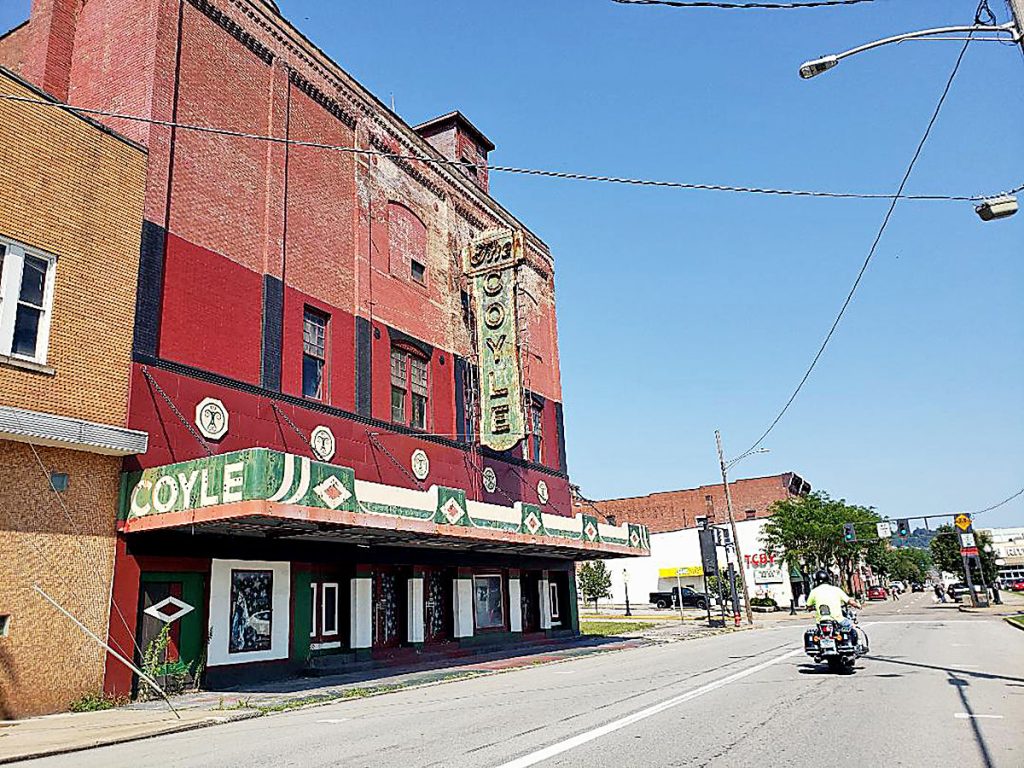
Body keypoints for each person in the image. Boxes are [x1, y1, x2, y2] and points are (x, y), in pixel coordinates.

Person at [806, 569, 867, 652]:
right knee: (852, 626)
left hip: (821, 622)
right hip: (837, 619)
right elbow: (849, 601)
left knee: (818, 633)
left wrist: (812, 608)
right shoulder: (836, 590)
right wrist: (858, 605)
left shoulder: (814, 592)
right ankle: (859, 645)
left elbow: (808, 606)